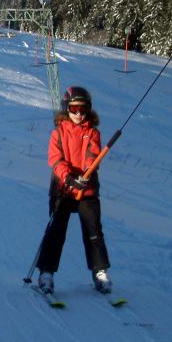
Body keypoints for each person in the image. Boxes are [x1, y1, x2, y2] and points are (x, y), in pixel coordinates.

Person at [35, 86, 112, 295]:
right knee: (56, 232)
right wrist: (69, 178)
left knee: (93, 231)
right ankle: (46, 273)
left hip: (86, 190)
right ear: (66, 108)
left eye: (83, 109)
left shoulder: (92, 132)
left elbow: (92, 155)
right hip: (63, 189)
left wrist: (84, 175)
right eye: (74, 108)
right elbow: (55, 159)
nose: (79, 113)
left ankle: (100, 272)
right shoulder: (58, 132)